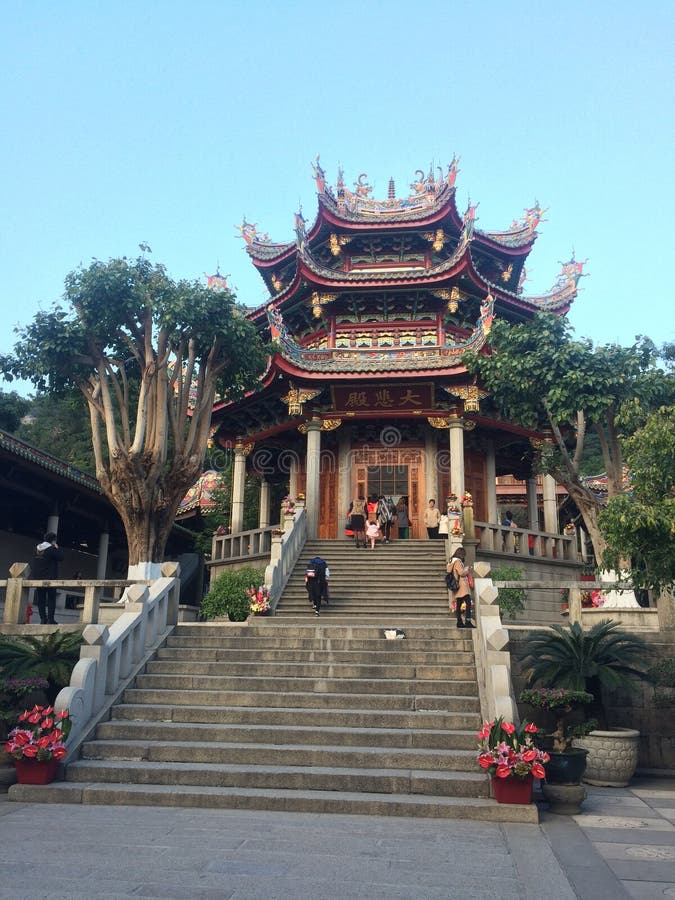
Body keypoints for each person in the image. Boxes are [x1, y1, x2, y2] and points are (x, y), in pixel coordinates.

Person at [31, 532, 64, 625]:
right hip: (50, 577)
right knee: (51, 598)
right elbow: (61, 558)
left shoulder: (37, 548)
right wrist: (57, 548)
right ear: (53, 540)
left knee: (41, 599)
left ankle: (42, 619)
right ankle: (50, 619)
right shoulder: (52, 549)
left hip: (38, 577)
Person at [447, 546, 474, 629]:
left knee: (459, 604)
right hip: (462, 585)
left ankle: (459, 622)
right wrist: (467, 569)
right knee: (468, 603)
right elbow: (461, 573)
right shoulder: (458, 562)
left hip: (457, 585)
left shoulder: (452, 561)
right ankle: (468, 621)